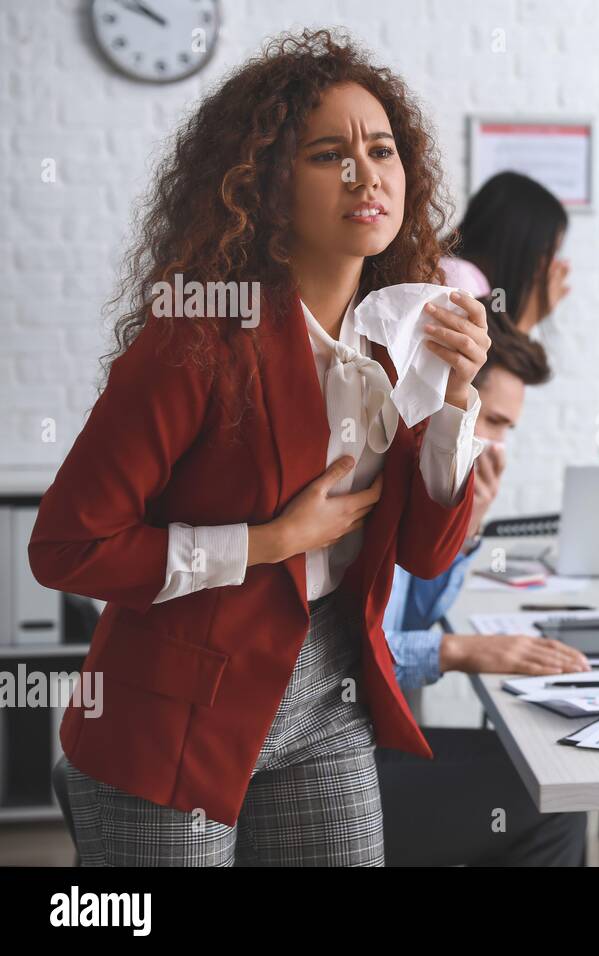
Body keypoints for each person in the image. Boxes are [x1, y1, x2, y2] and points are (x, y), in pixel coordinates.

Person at [28, 30, 489, 866]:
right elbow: (66, 547)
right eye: (327, 155)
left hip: (327, 685)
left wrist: (458, 399)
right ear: (267, 189)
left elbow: (427, 552)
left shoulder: (400, 340)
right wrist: (271, 542)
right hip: (170, 714)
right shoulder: (195, 340)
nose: (366, 174)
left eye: (381, 149)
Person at [376, 310, 589, 866]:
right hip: (331, 762)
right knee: (548, 796)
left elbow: (410, 614)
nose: (496, 446)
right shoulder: (375, 472)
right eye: (490, 421)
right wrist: (460, 650)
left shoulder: (425, 479)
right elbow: (347, 656)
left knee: (549, 767)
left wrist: (465, 530)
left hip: (361, 742)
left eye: (507, 430)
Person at [440, 171, 571, 333]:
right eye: (546, 252)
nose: (548, 266)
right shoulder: (461, 278)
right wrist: (530, 317)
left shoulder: (483, 288)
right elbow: (492, 357)